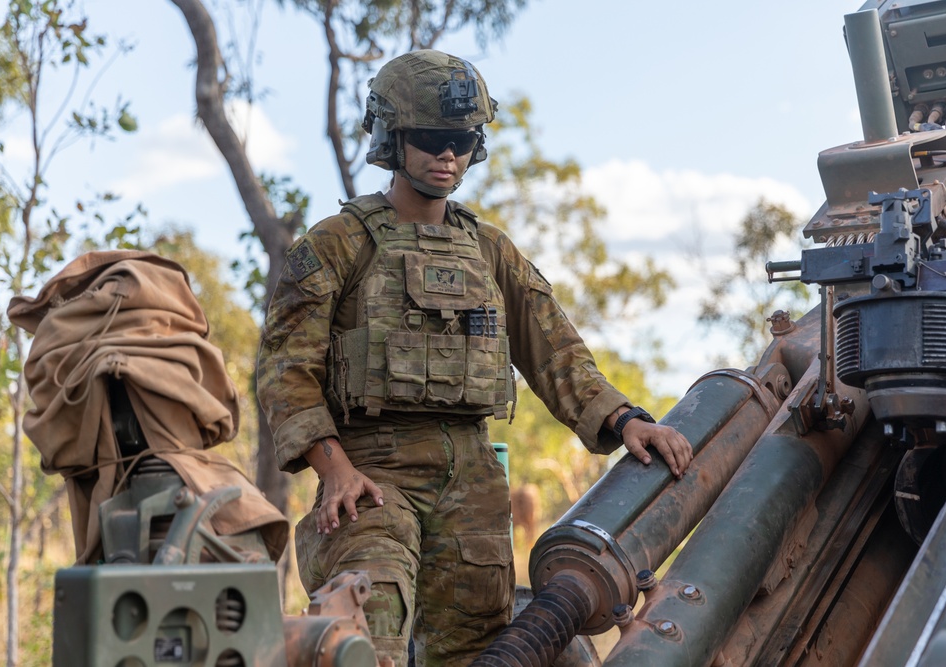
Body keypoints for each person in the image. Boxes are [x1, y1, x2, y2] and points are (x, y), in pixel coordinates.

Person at [256, 49, 693, 667]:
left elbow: (554, 349)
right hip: (371, 476)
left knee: (481, 651)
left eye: (461, 141)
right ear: (393, 137)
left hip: (473, 478)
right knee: (361, 636)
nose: (448, 157)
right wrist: (334, 470)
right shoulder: (338, 243)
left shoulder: (488, 249)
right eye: (433, 139)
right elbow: (286, 371)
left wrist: (627, 420)